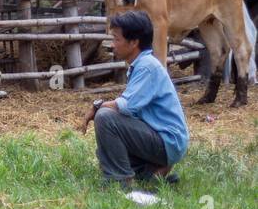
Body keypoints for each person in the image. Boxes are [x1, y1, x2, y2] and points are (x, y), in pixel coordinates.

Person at [80, 10, 188, 187]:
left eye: (116, 39)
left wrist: (97, 107)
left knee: (105, 117)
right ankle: (151, 174)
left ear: (134, 42)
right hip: (163, 138)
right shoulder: (143, 64)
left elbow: (126, 106)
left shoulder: (146, 67)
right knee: (105, 151)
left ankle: (119, 181)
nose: (113, 44)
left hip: (166, 140)